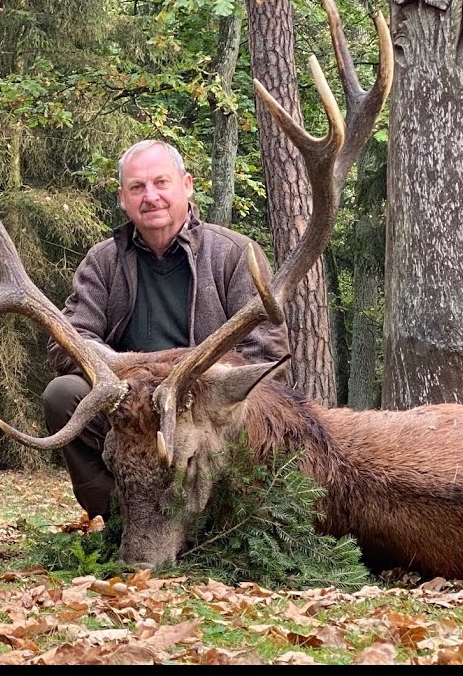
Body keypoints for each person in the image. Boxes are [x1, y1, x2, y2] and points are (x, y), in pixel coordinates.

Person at [43, 139, 290, 519]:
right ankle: (118, 517)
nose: (151, 197)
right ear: (123, 197)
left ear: (187, 186)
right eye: (137, 188)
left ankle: (216, 517)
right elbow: (67, 344)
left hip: (203, 411)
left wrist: (188, 379)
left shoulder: (235, 255)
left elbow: (267, 361)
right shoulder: (103, 261)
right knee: (63, 395)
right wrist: (139, 372)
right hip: (129, 410)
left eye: (162, 183)